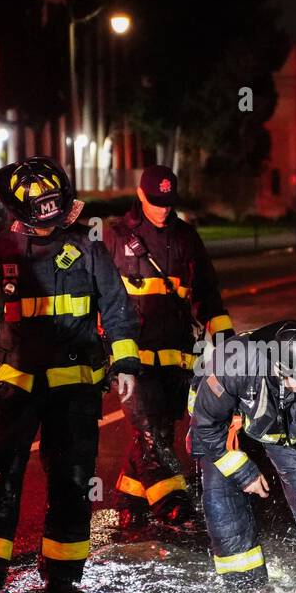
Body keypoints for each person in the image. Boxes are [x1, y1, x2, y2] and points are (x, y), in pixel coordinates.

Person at [0, 156, 141, 593]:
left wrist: (126, 363)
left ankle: (63, 576)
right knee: (3, 472)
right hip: (16, 386)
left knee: (72, 478)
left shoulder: (88, 246)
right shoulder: (2, 250)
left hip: (74, 388)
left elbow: (116, 307)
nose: (50, 225)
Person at [104, 165, 234, 531]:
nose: (163, 209)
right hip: (133, 360)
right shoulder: (115, 237)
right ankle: (173, 504)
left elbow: (208, 294)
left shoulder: (187, 237)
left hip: (177, 359)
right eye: (156, 202)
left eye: (168, 203)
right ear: (141, 195)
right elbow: (101, 297)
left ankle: (130, 500)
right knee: (147, 430)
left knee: (158, 432)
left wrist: (225, 342)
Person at [188, 320, 296, 589]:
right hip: (221, 429)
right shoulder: (234, 363)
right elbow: (206, 426)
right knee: (224, 507)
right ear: (280, 370)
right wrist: (244, 473)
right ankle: (246, 589)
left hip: (272, 423)